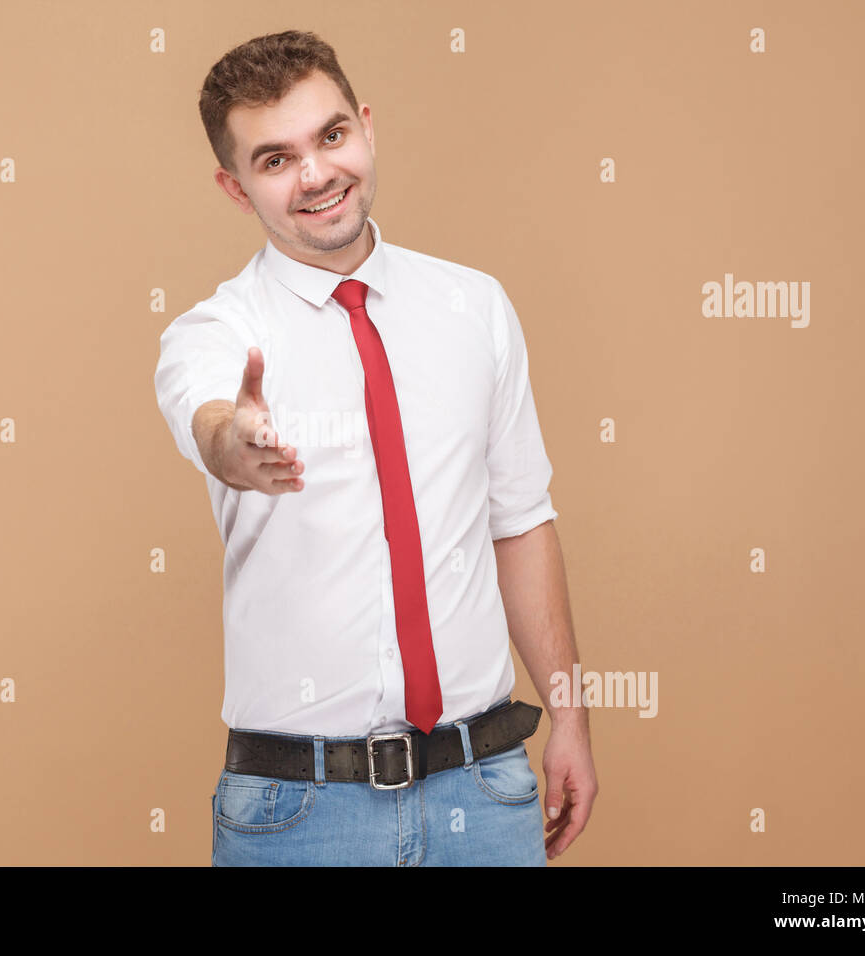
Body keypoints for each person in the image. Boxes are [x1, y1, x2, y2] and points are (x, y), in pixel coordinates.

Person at [154, 29, 597, 866]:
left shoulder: (476, 308)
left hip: (485, 789)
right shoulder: (215, 333)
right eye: (275, 159)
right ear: (234, 185)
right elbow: (208, 417)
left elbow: (521, 522)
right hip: (299, 813)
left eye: (330, 137)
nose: (317, 174)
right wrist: (231, 442)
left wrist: (568, 717)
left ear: (365, 124)